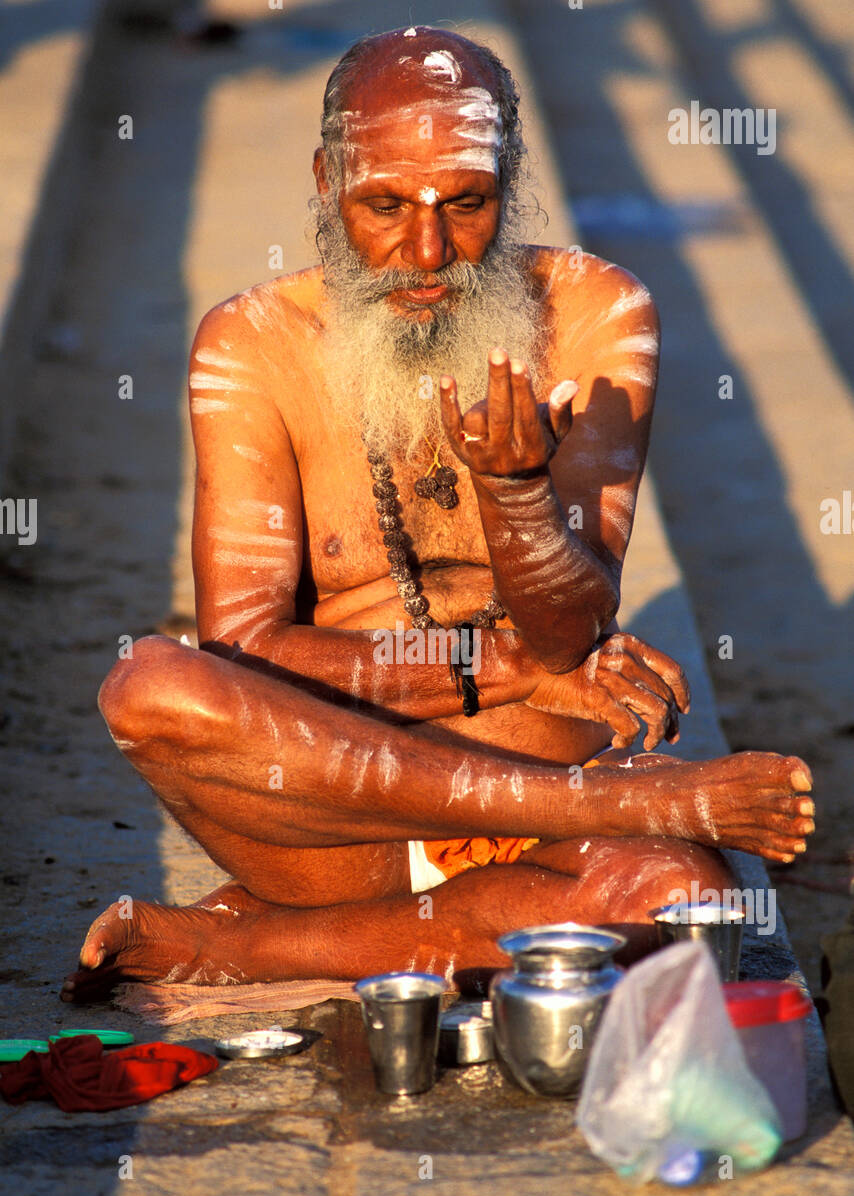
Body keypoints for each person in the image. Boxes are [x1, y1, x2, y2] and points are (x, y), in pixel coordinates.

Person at [62, 27, 814, 1001]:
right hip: (342, 823)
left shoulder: (595, 312)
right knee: (151, 689)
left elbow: (568, 630)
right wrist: (498, 665)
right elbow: (245, 646)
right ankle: (594, 813)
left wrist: (515, 497)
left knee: (671, 911)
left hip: (544, 811)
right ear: (328, 181)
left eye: (466, 203)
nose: (426, 251)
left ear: (509, 180)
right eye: (385, 207)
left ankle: (262, 945)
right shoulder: (250, 346)